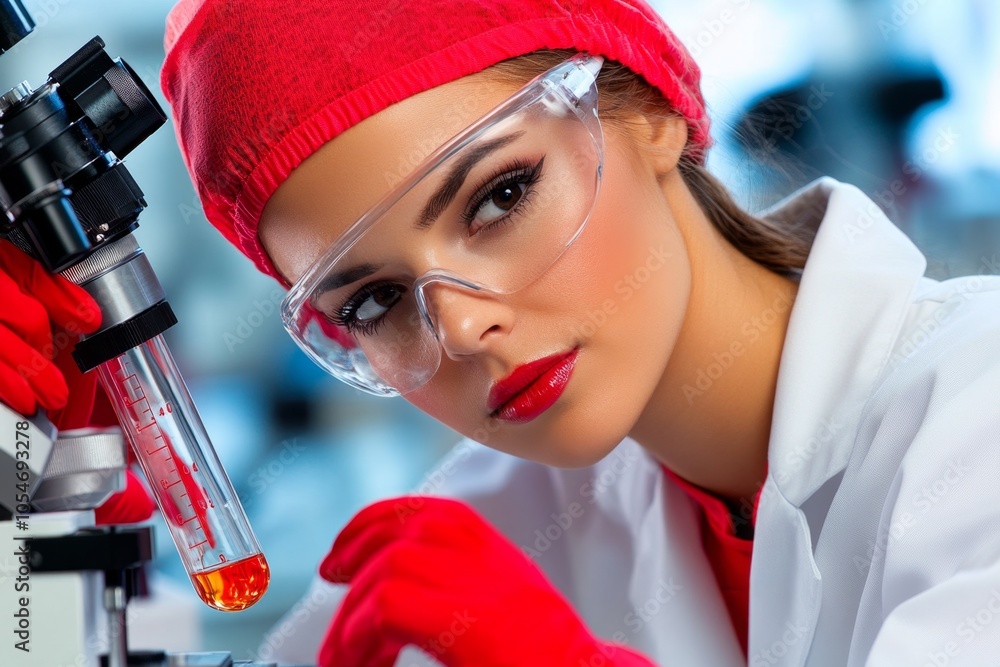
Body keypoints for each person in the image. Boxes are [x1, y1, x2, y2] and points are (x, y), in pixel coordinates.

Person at [3, 0, 999, 665]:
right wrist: (45, 504)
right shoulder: (493, 528)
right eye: (372, 302)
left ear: (647, 104)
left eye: (499, 196)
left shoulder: (974, 410)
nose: (463, 324)